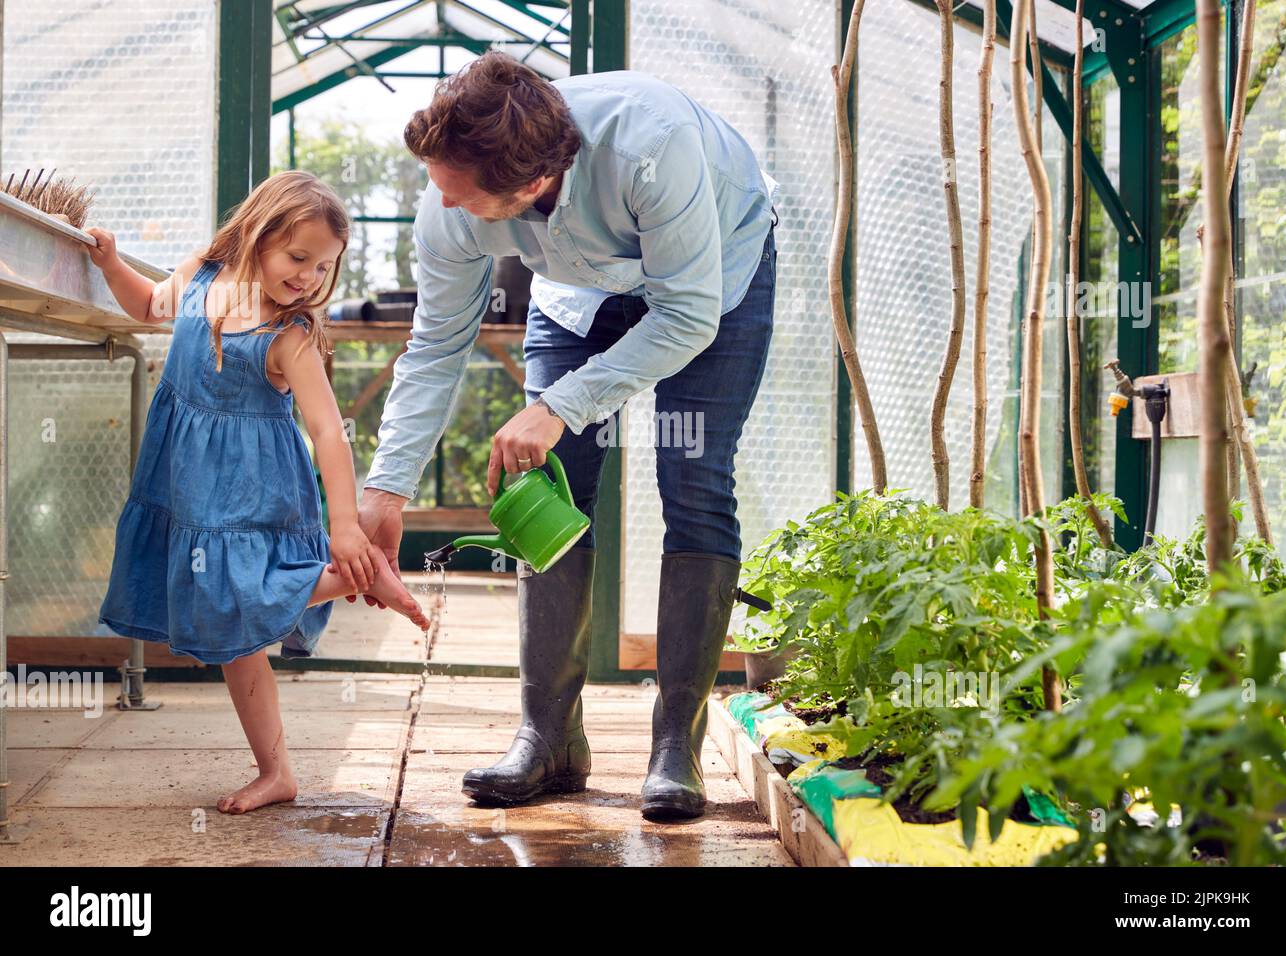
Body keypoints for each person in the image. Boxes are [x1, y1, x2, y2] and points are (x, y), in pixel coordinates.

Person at [357, 54, 778, 821]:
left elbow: (687, 317)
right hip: (579, 295)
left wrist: (560, 405)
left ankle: (674, 748)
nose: (437, 200)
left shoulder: (652, 146)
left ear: (528, 187)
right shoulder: (449, 199)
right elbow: (436, 346)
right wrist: (387, 487)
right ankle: (548, 738)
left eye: (455, 190)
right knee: (545, 486)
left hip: (710, 281)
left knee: (695, 483)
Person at [90, 171, 430, 814]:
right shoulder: (201, 275)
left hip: (251, 492)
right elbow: (146, 307)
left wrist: (345, 525)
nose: (308, 276)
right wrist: (110, 263)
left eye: (323, 266)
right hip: (189, 485)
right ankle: (277, 772)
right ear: (257, 232)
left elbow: (329, 431)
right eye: (298, 257)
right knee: (235, 634)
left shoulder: (289, 335)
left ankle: (355, 576)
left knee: (233, 595)